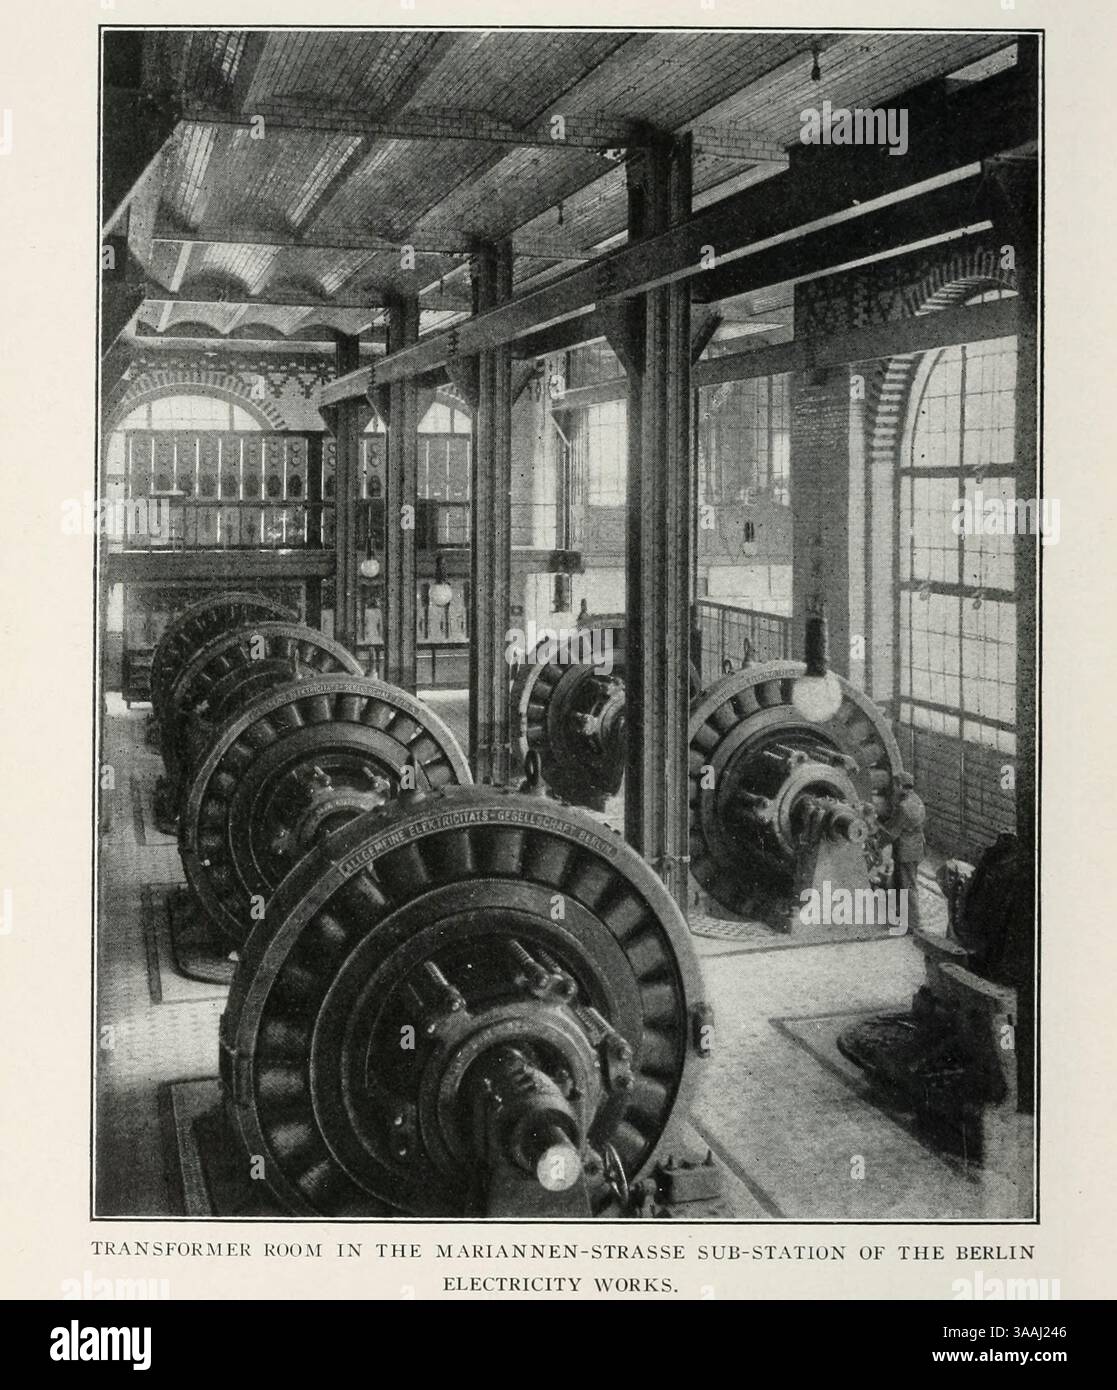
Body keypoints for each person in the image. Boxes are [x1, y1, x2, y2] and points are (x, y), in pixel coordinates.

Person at [877, 771, 926, 934]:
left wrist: (877, 844)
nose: (893, 789)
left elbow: (892, 831)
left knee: (908, 885)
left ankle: (913, 923)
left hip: (906, 850)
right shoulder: (915, 799)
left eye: (895, 785)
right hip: (916, 848)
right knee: (902, 880)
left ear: (899, 786)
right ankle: (901, 913)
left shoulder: (904, 807)